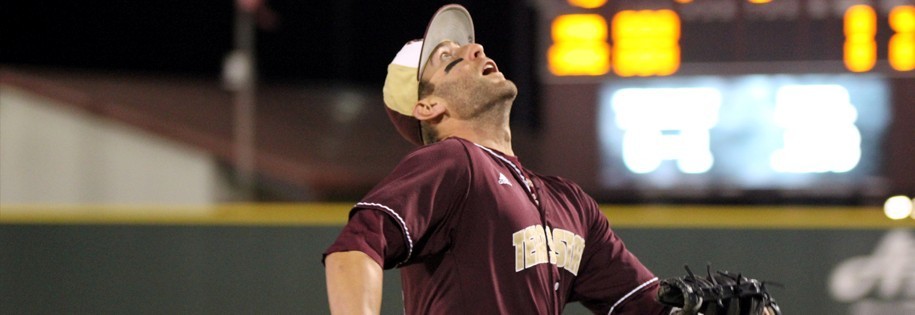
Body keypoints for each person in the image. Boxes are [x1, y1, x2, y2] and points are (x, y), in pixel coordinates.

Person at [323, 4, 744, 315]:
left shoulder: (570, 202)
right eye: (450, 59)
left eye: (469, 46)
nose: (475, 50)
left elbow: (646, 306)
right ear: (428, 107)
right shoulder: (452, 163)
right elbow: (354, 249)